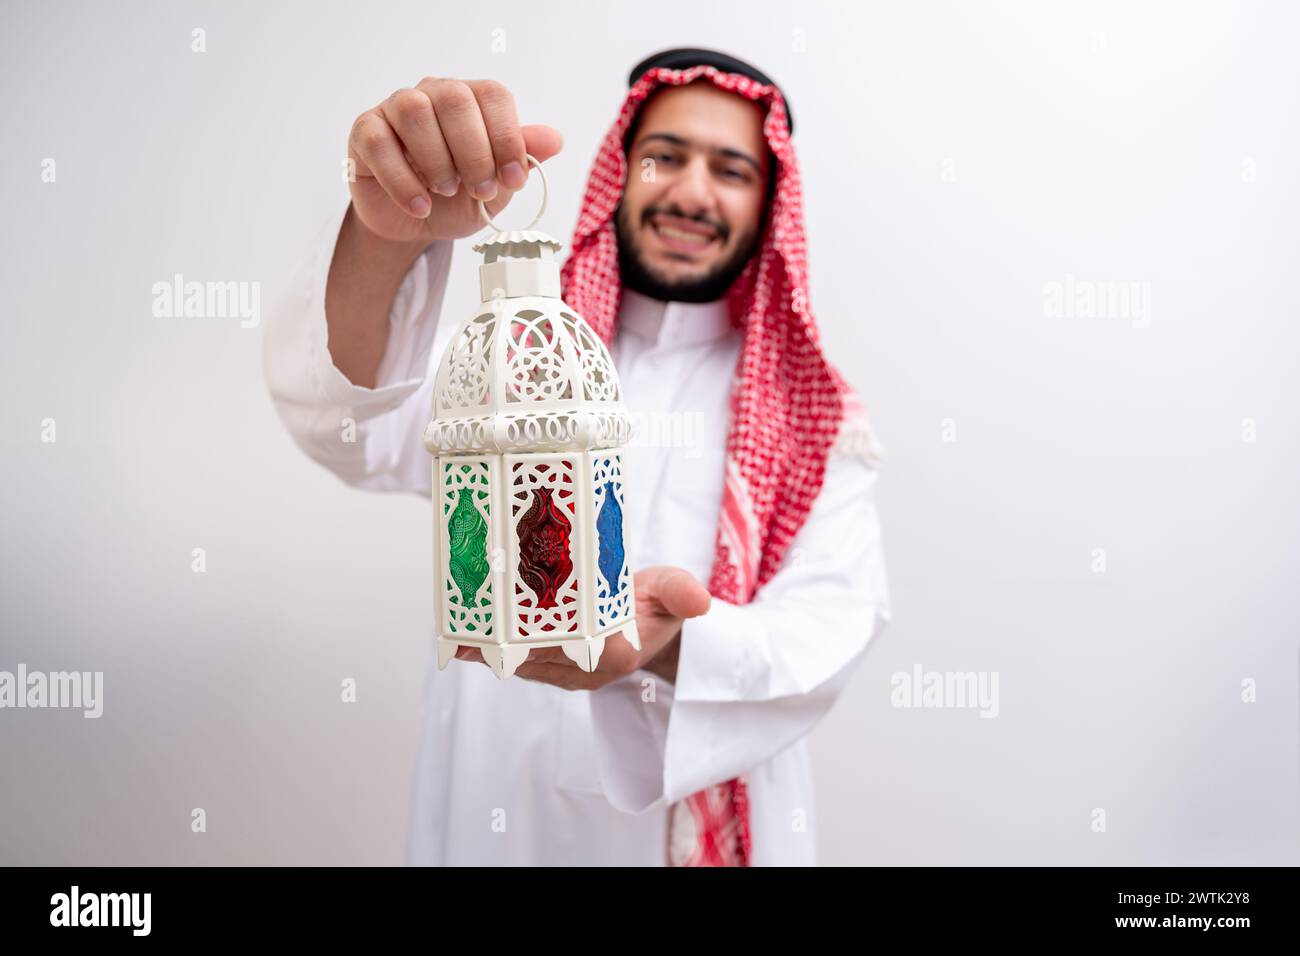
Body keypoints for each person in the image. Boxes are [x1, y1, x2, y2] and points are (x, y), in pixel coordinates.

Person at [263, 47, 890, 866]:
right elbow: (348, 428)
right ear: (620, 171)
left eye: (731, 170)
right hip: (492, 812)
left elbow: (830, 630)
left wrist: (671, 647)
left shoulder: (819, 422)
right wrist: (388, 237)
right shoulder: (509, 362)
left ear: (770, 201)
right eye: (665, 157)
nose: (692, 192)